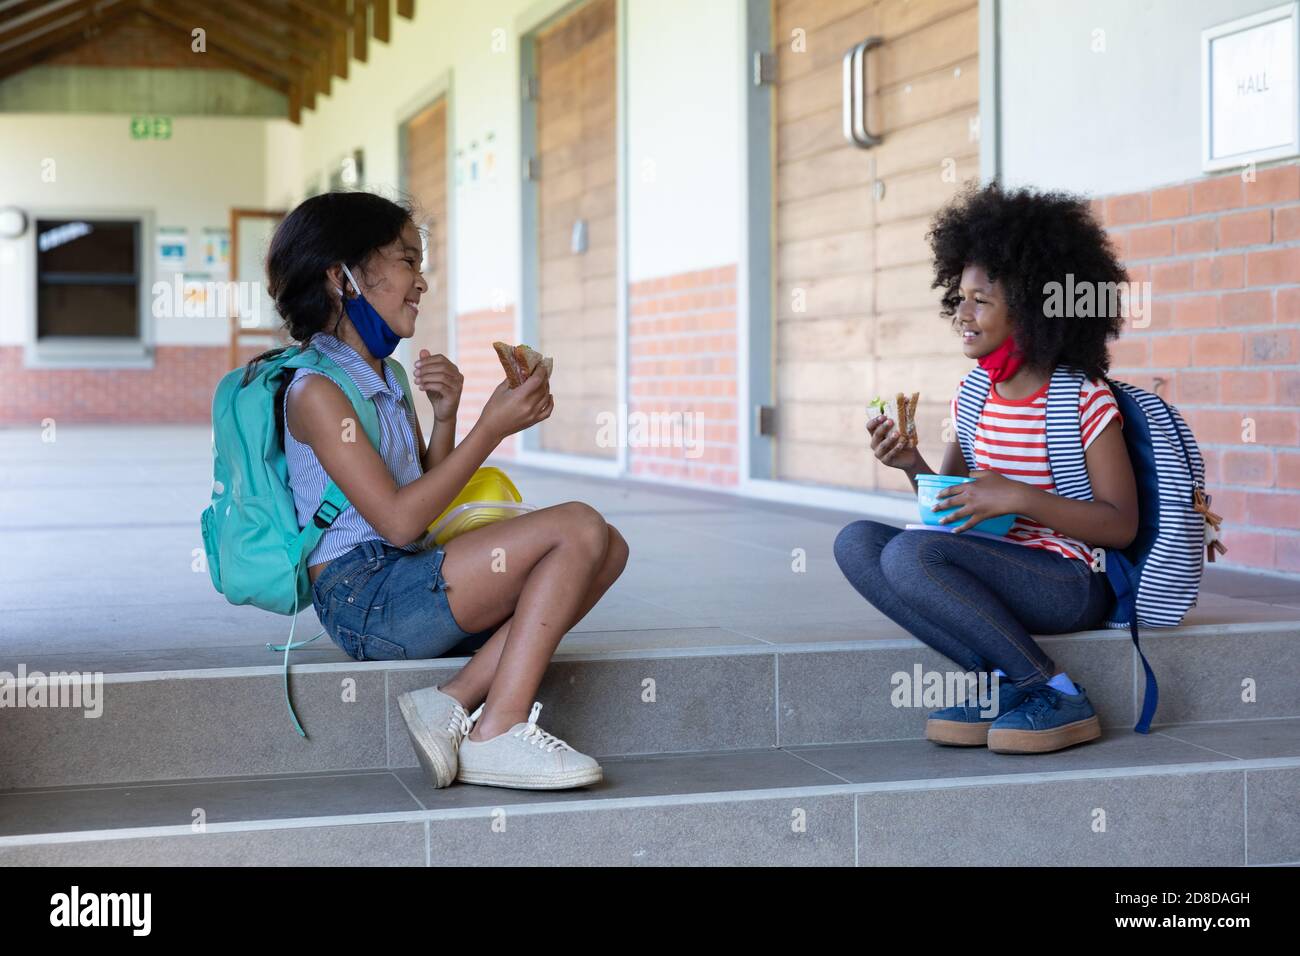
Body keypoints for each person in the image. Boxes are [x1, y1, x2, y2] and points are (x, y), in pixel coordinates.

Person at [264, 191, 628, 789]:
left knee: (608, 547)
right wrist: (491, 429)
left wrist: (446, 417)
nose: (422, 282)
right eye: (408, 260)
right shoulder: (316, 393)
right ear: (343, 278)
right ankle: (496, 732)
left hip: (408, 574)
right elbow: (400, 522)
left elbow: (422, 499)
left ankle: (452, 701)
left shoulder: (386, 374)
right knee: (580, 526)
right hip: (365, 599)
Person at [833, 182, 1138, 755]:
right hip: (996, 564)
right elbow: (949, 507)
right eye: (959, 298)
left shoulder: (1080, 399)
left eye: (980, 301)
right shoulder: (976, 394)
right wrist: (911, 464)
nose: (961, 314)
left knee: (908, 553)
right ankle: (1005, 681)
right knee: (857, 543)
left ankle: (1055, 690)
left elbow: (1120, 524)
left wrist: (1018, 496)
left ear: (1026, 310)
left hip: (1070, 579)